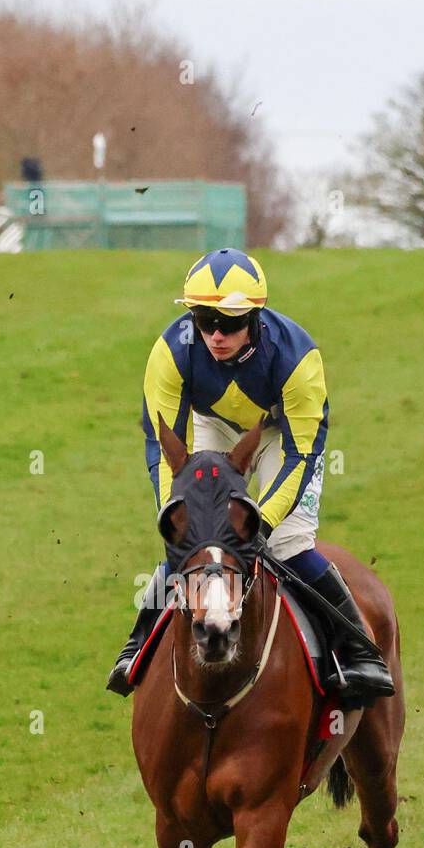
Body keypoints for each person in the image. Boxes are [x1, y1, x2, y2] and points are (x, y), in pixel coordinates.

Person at [107, 247, 394, 702]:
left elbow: (302, 454)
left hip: (282, 436)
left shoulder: (299, 358)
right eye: (205, 320)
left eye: (231, 322)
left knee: (286, 543)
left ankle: (360, 651)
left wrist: (261, 524)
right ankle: (136, 646)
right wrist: (176, 514)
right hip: (209, 426)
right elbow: (162, 446)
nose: (216, 335)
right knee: (199, 538)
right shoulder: (168, 353)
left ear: (256, 318)